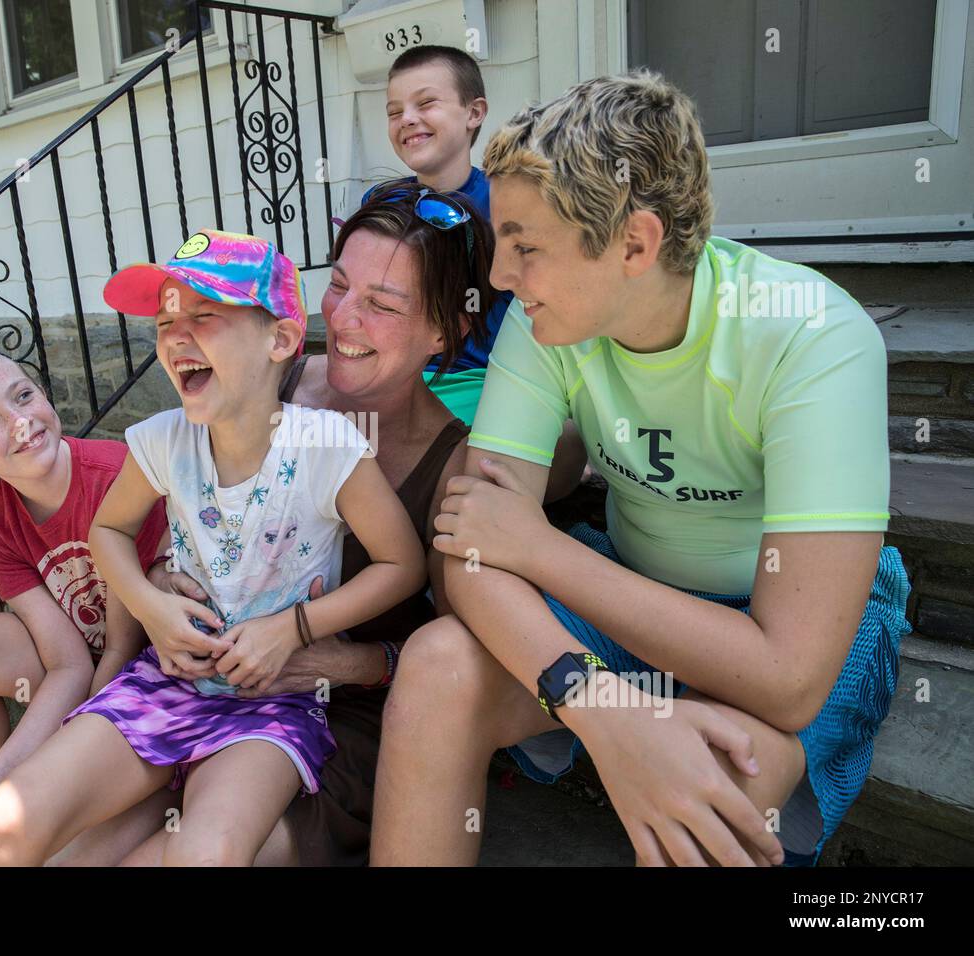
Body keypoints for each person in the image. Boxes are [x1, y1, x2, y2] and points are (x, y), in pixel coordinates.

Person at [371, 70, 912, 867]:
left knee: (732, 775)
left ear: (634, 244)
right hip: (629, 587)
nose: (499, 278)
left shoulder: (812, 338)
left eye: (524, 247)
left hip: (790, 620)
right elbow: (471, 548)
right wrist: (600, 703)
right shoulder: (545, 319)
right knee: (436, 665)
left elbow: (788, 673)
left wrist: (542, 549)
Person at [0, 229, 426, 866]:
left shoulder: (328, 446)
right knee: (6, 830)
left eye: (205, 315)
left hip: (275, 704)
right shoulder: (159, 441)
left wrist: (294, 628)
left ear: (281, 340)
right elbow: (110, 531)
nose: (176, 335)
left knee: (206, 855)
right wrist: (151, 607)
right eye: (166, 320)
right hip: (167, 682)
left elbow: (404, 566)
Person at [0, 346, 166, 865]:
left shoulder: (117, 477)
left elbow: (126, 644)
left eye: (23, 395)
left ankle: (39, 808)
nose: (21, 421)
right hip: (81, 667)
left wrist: (62, 752)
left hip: (153, 674)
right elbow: (67, 662)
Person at [367, 44, 512, 426]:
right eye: (395, 111)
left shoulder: (509, 201)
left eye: (426, 103)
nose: (407, 119)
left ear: (474, 112)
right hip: (398, 378)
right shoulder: (382, 201)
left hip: (485, 382)